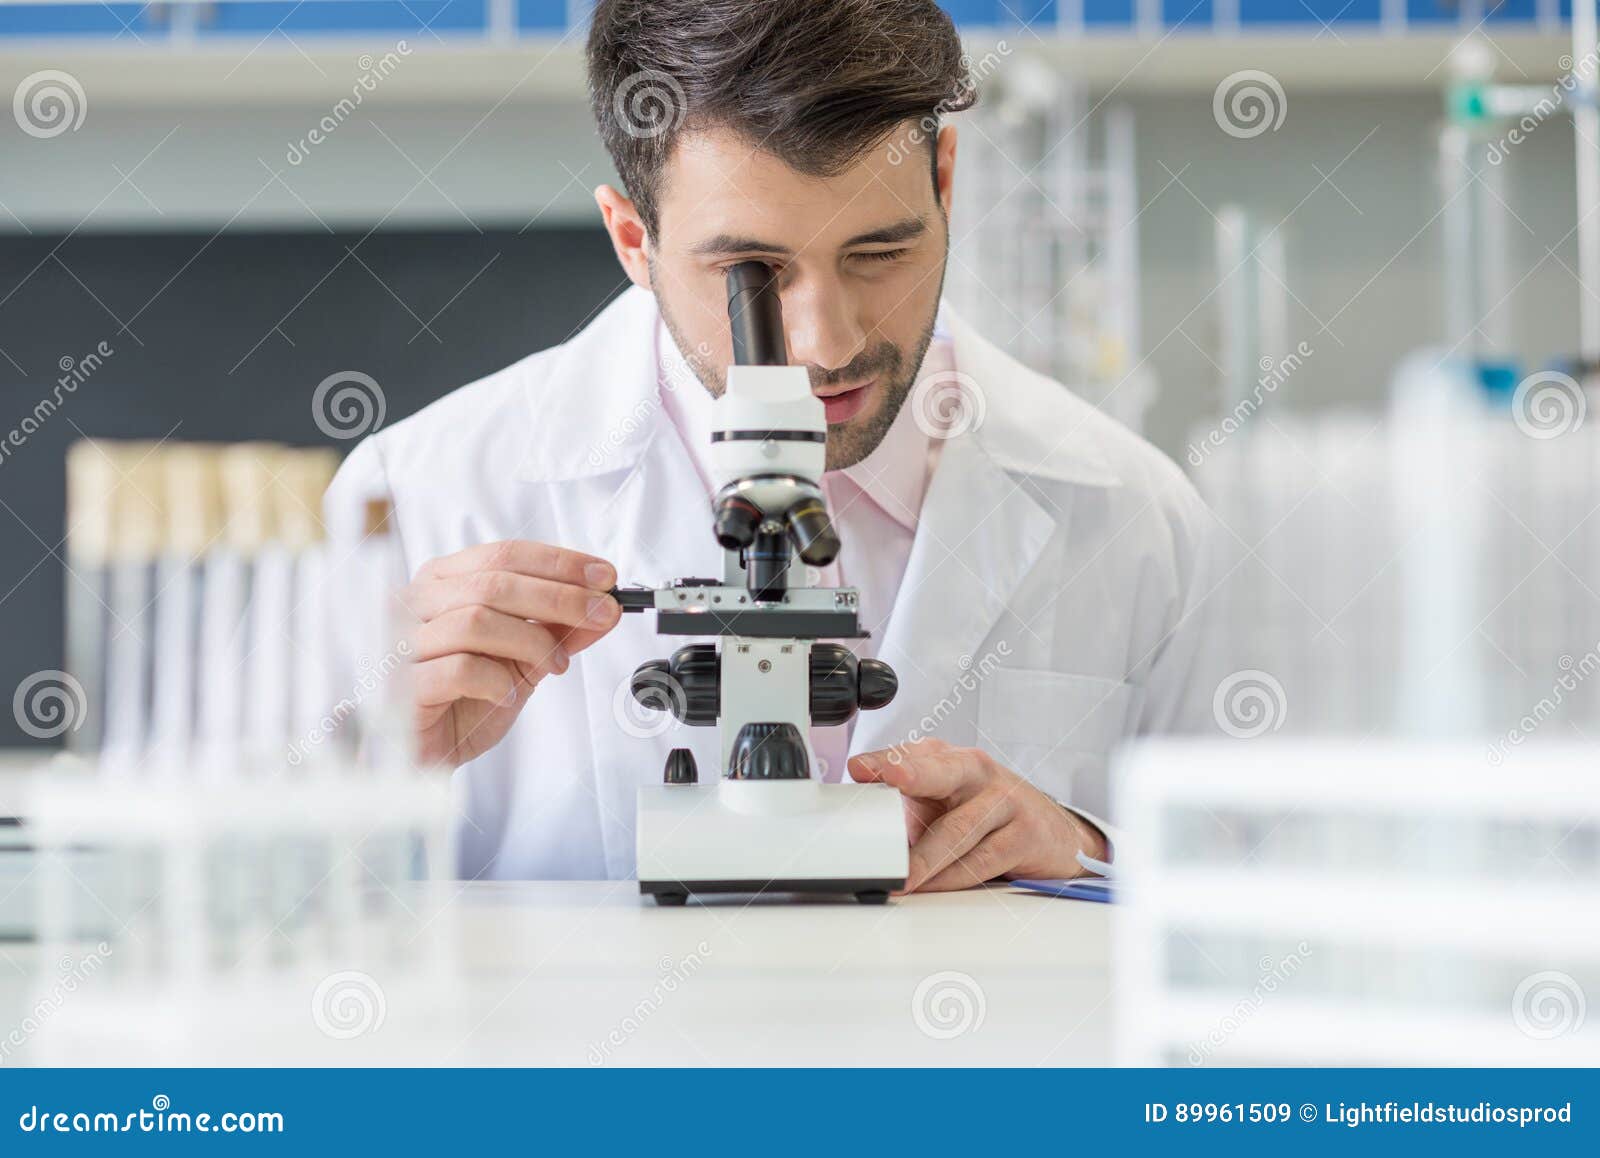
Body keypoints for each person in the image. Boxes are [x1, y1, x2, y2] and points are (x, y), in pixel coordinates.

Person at [325, 0, 1219, 891]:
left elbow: (1255, 897)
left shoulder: (1134, 514)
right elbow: (251, 942)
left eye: (879, 254)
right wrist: (376, 782)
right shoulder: (419, 499)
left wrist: (1089, 852)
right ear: (635, 240)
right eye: (751, 275)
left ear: (945, 180)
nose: (826, 345)